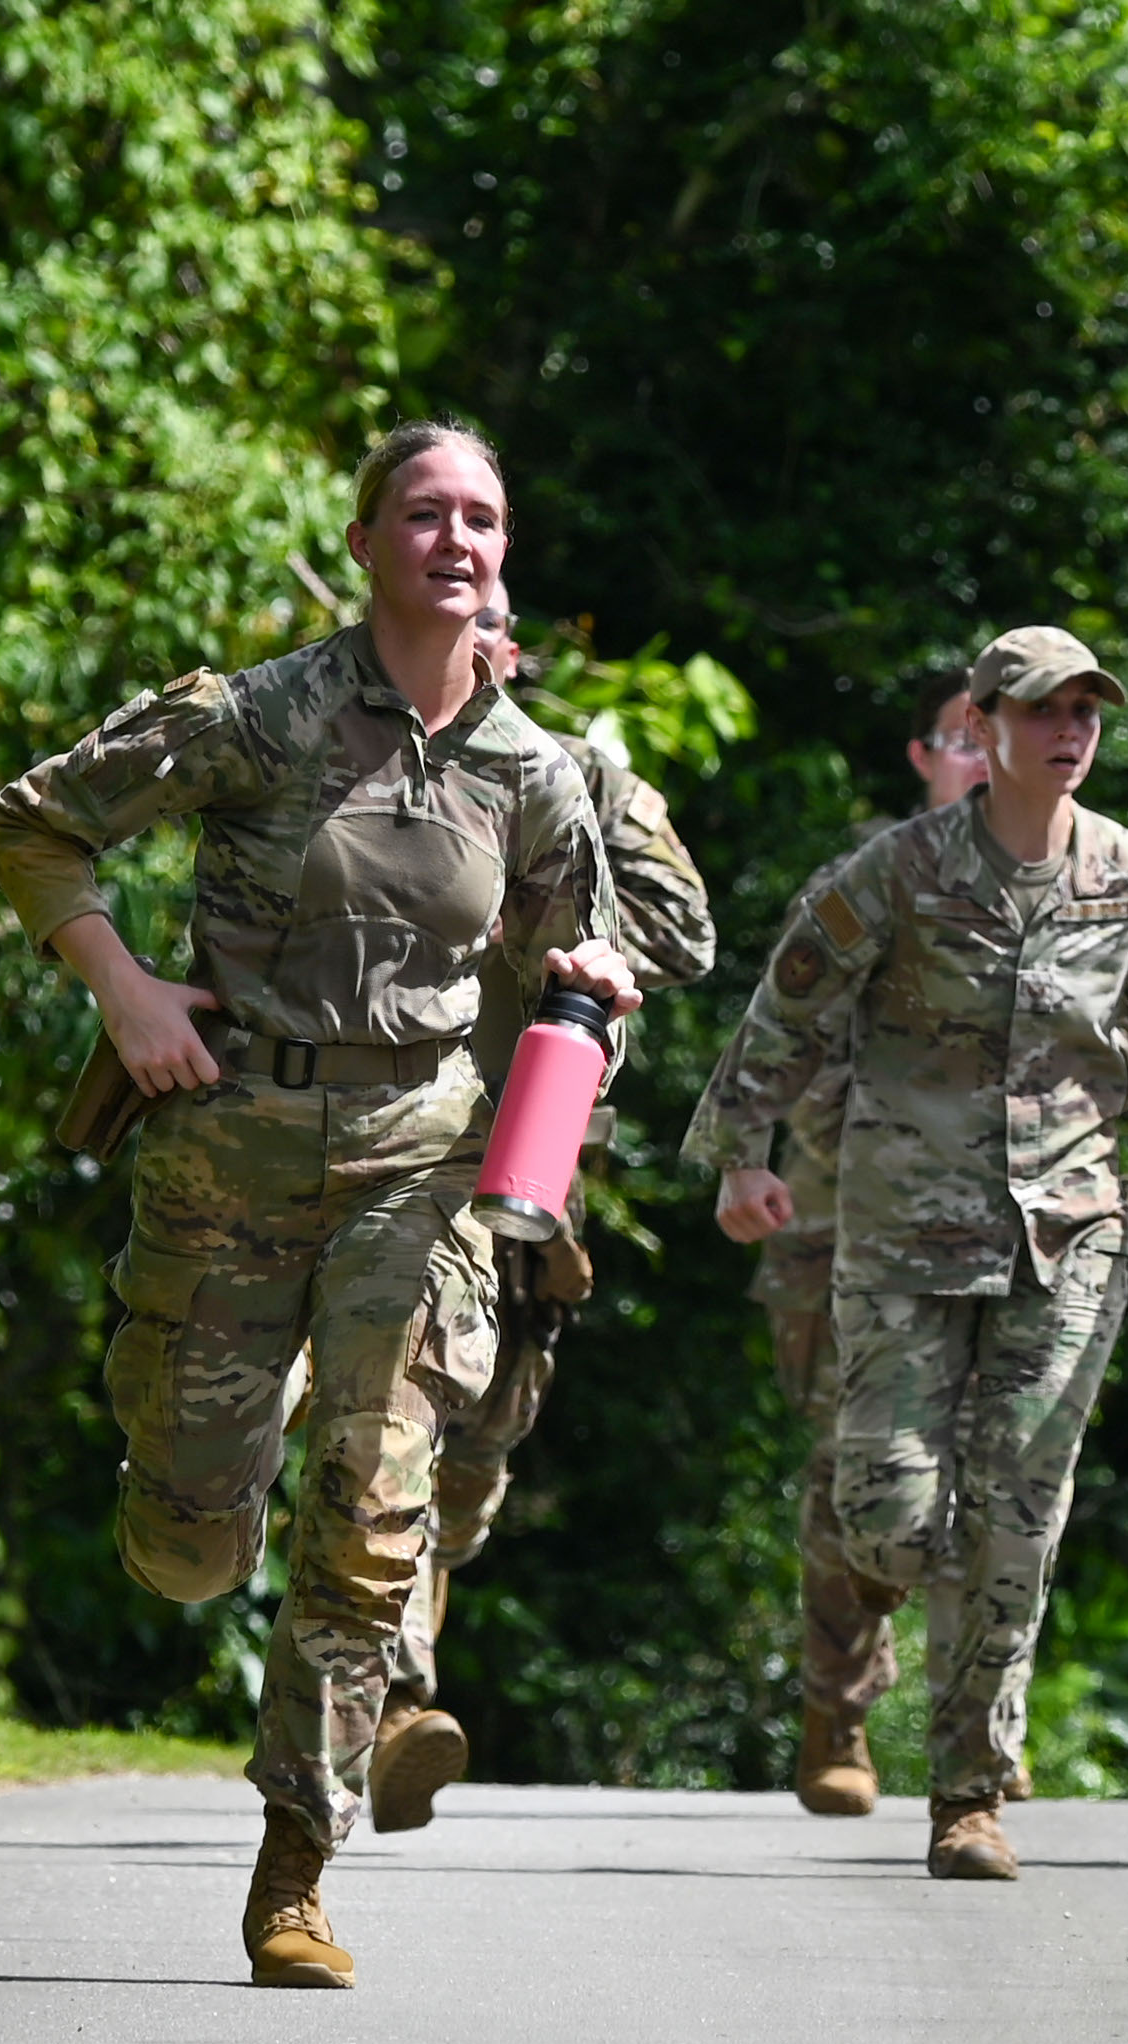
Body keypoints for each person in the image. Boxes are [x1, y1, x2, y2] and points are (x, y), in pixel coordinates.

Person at [0, 420, 639, 1986]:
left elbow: (576, 962)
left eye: (483, 516)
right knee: (195, 1541)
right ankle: (184, 1503)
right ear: (366, 541)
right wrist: (127, 993)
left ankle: (296, 1867)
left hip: (418, 1158)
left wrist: (586, 1009)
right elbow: (34, 822)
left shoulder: (537, 776)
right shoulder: (261, 716)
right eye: (425, 512)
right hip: (230, 1142)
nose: (457, 540)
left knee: (372, 1499)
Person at [683, 626, 1128, 1877]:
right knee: (884, 1510)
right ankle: (889, 1644)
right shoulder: (899, 872)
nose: (1070, 732)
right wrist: (744, 1154)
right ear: (984, 727)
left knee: (1016, 1520)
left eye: (1087, 712)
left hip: (1071, 1238)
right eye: (1044, 711)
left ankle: (969, 1795)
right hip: (899, 1237)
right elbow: (793, 1004)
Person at [372, 589, 723, 1832]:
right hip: (382, 1150)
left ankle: (386, 1650)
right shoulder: (375, 765)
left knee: (470, 1467)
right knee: (386, 1424)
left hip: (524, 1166)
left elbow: (685, 939)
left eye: (500, 630)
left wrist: (605, 820)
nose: (479, 642)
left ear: (513, 650)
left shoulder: (577, 781)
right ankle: (397, 1700)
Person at [688, 668, 987, 1815]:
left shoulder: (1065, 887)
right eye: (960, 740)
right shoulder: (866, 881)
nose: (979, 759)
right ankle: (837, 1713)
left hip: (999, 1247)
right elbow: (793, 1045)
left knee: (994, 1486)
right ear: (923, 756)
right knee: (849, 1482)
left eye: (991, 739)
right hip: (843, 1238)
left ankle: (974, 1758)